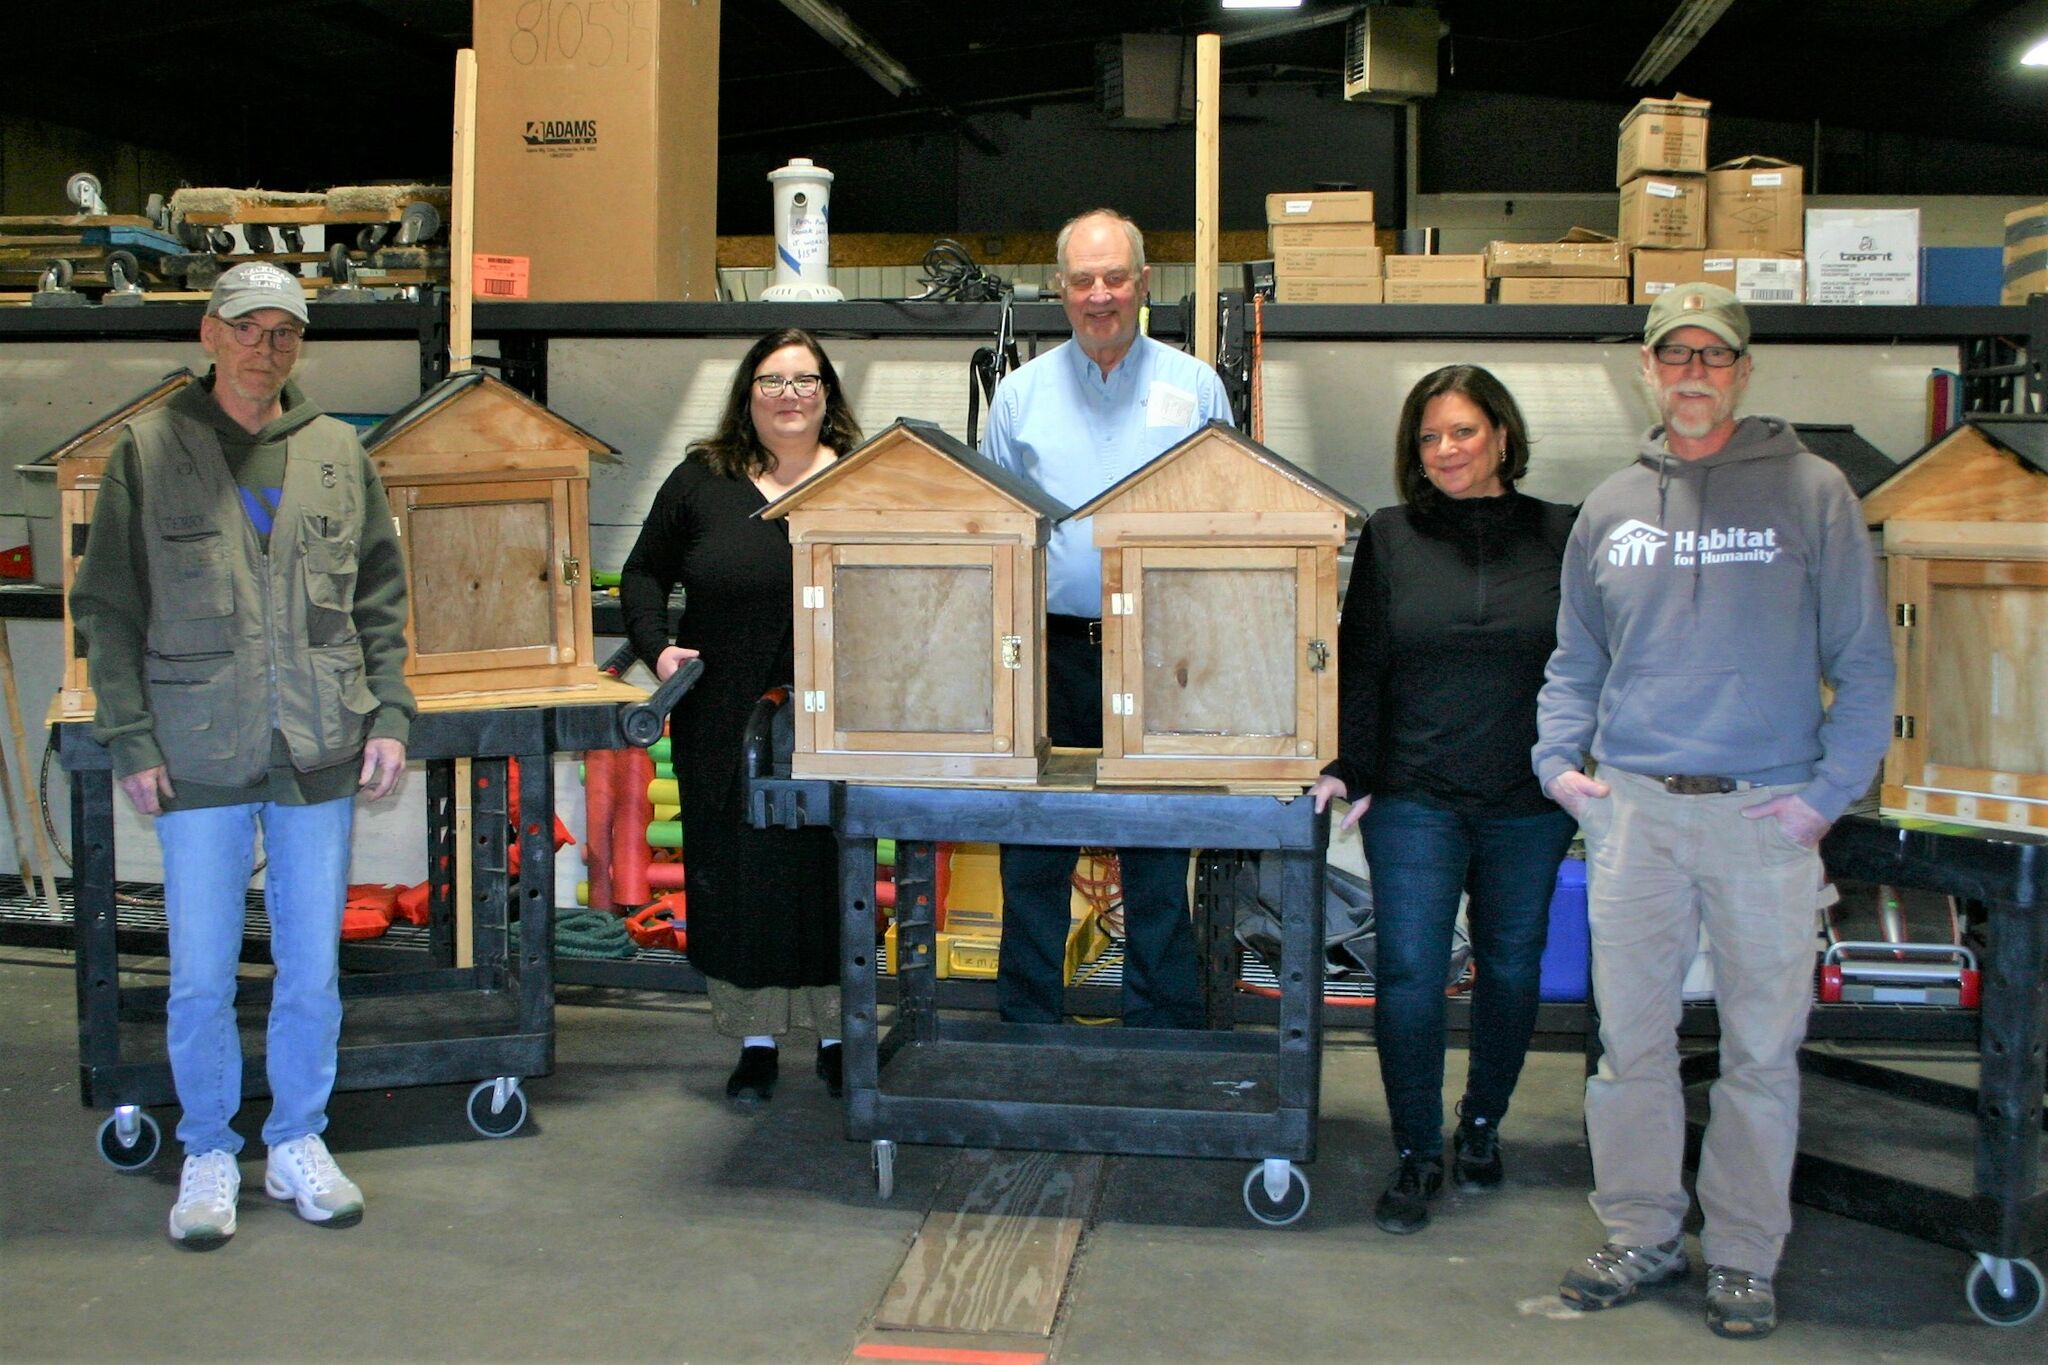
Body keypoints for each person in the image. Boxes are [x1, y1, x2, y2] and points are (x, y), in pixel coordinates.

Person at [1532, 284, 1892, 1339]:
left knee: (1757, 1054)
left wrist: (1822, 801)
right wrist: (1561, 768)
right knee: (1628, 1047)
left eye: (1712, 356)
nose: (1691, 372)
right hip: (1634, 813)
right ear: (1643, 369)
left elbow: (1863, 664)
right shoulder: (1606, 507)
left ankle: (1741, 1256)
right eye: (1672, 354)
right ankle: (1639, 1232)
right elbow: (1575, 658)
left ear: (1740, 371)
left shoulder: (1811, 492)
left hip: (1763, 817)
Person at [70, 262, 414, 1249]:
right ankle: (212, 1149)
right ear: (209, 335)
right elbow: (109, 606)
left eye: (286, 333)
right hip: (198, 750)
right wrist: (130, 733)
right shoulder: (149, 448)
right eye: (249, 328)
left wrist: (387, 712)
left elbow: (381, 599)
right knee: (200, 973)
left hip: (317, 748)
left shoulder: (340, 456)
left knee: (311, 970)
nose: (267, 347)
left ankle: (299, 1137)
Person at [1309, 366, 1578, 1235]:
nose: (1445, 451)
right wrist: (1348, 766)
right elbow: (1362, 660)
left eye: (1462, 431)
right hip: (1417, 793)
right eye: (1428, 437)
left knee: (1508, 968)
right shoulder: (1390, 536)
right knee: (1411, 973)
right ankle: (1419, 1149)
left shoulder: (1564, 534)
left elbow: (1590, 661)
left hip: (1528, 798)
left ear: (1502, 434)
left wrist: (1585, 763)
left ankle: (1484, 1123)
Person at [981, 208, 1233, 1031]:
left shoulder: (1195, 389)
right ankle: (1027, 1027)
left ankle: (1161, 1031)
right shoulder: (1017, 399)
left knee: (1158, 850)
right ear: (1060, 289)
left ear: (1144, 283)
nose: (1100, 295)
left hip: (1159, 656)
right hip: (1048, 654)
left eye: (1115, 277)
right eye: (1083, 280)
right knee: (1032, 850)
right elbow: (997, 538)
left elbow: (1226, 518)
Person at [619, 329, 858, 1104]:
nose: (790, 394)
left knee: (829, 876)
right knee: (740, 880)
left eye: (804, 379)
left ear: (827, 392)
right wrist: (657, 651)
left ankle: (836, 1037)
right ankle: (754, 1044)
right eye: (772, 380)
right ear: (747, 394)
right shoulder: (702, 479)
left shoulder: (860, 479)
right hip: (722, 721)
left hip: (832, 720)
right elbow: (643, 571)